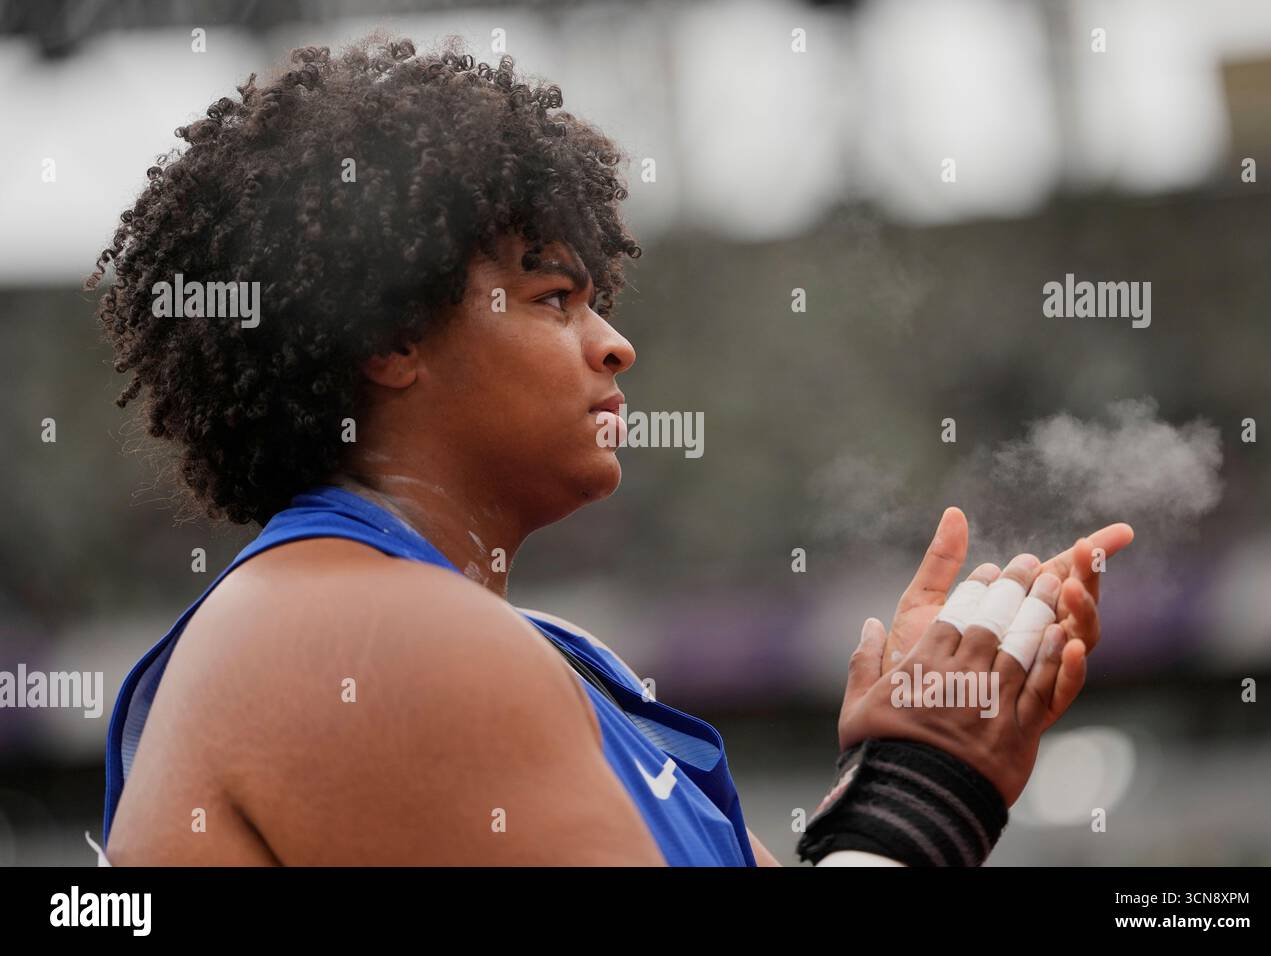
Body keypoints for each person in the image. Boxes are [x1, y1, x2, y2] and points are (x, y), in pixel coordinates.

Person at [87, 35, 1132, 866]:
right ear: (389, 338)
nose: (614, 342)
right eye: (553, 299)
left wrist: (895, 779)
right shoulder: (363, 636)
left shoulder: (499, 639)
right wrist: (925, 783)